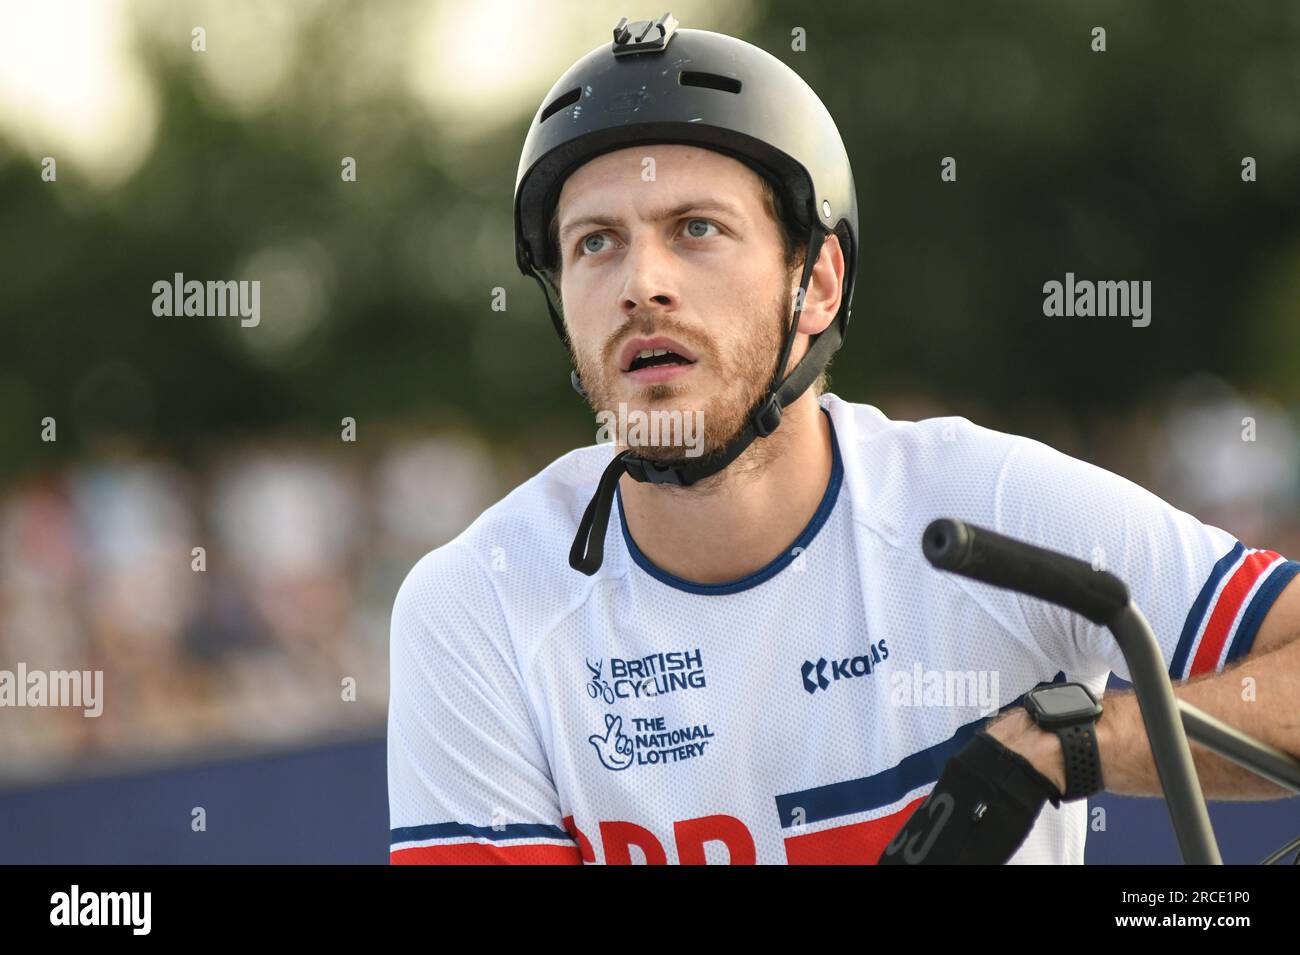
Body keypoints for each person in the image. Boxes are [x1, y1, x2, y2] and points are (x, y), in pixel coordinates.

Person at [387, 15, 1300, 864]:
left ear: (816, 284)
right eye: (594, 243)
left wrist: (1074, 741)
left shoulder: (990, 503)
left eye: (695, 229)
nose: (641, 283)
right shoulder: (477, 607)